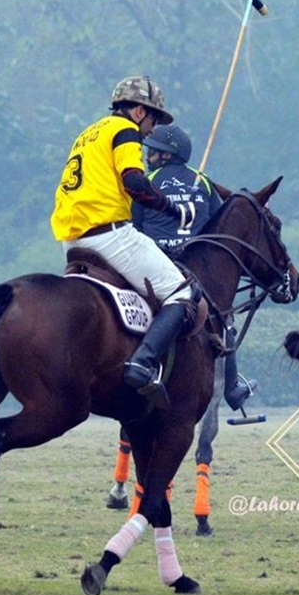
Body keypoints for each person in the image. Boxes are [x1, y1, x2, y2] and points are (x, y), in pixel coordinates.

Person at [105, 123, 256, 512]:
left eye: (152, 150)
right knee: (222, 319)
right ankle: (234, 385)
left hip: (152, 270)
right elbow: (216, 230)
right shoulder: (204, 184)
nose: (147, 154)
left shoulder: (148, 180)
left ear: (164, 156)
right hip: (192, 272)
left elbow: (132, 227)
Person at [51, 75, 193, 410]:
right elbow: (135, 182)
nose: (152, 130)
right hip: (108, 235)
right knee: (180, 291)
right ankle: (142, 363)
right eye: (155, 119)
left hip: (72, 241)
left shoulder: (89, 133)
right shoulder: (125, 131)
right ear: (140, 111)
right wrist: (174, 209)